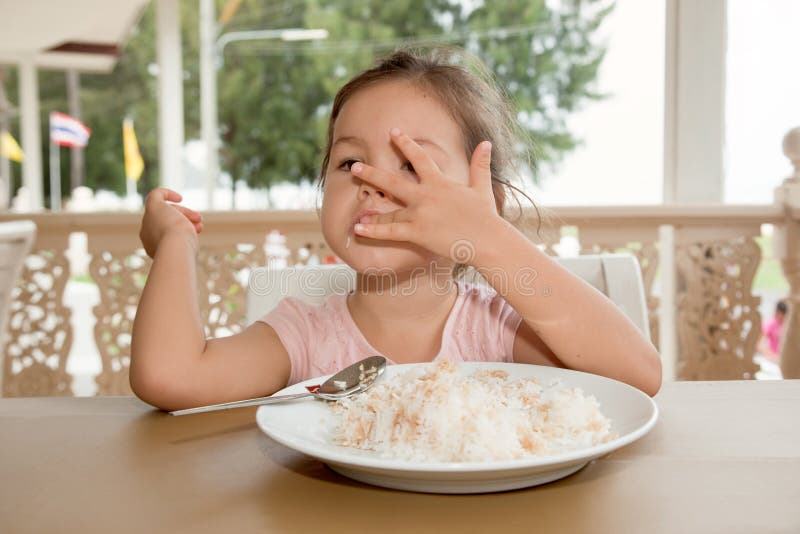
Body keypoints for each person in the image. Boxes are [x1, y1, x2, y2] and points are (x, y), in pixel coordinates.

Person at [130, 48, 662, 411]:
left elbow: (636, 375)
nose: (371, 183)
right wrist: (174, 244)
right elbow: (170, 377)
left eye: (410, 166)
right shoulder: (305, 335)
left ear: (484, 201)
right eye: (348, 164)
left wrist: (488, 238)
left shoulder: (498, 329)